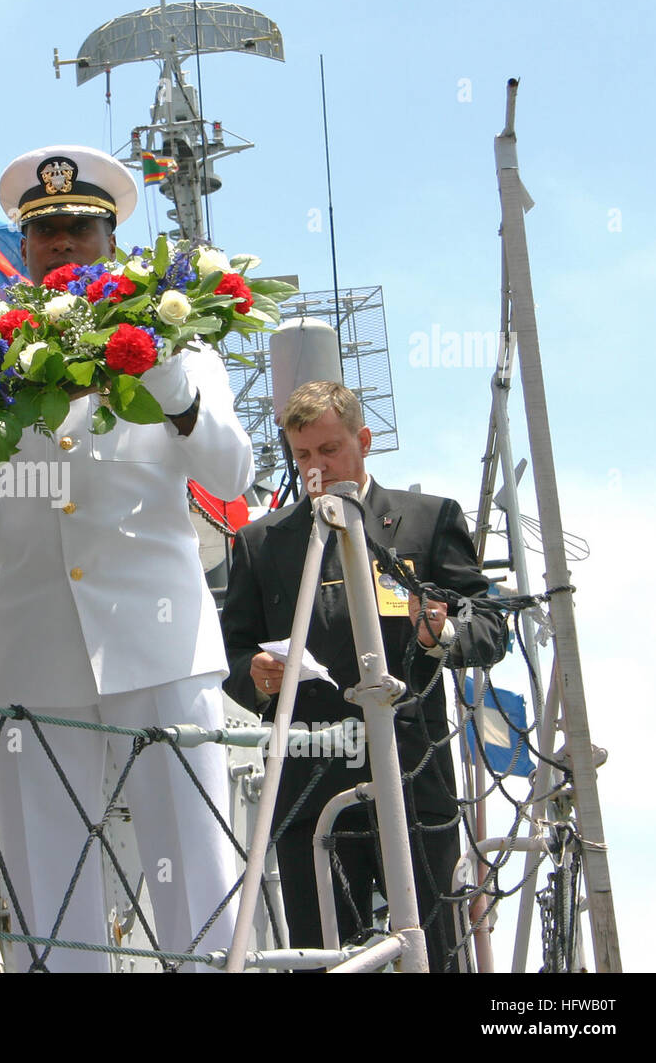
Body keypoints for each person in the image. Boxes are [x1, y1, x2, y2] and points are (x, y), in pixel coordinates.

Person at [0, 145, 254, 971]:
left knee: (198, 887)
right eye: (46, 232)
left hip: (159, 648)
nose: (62, 245)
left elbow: (233, 473)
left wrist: (176, 392)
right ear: (24, 250)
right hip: (36, 656)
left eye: (80, 229)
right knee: (46, 899)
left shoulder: (180, 340)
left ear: (110, 241)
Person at [220, 380, 508, 970]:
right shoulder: (260, 544)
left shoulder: (429, 522)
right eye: (303, 456)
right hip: (309, 783)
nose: (316, 469)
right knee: (326, 956)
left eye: (329, 450)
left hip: (413, 773)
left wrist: (444, 635)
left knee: (437, 945)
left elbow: (491, 622)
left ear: (364, 440)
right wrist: (254, 674)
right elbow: (228, 653)